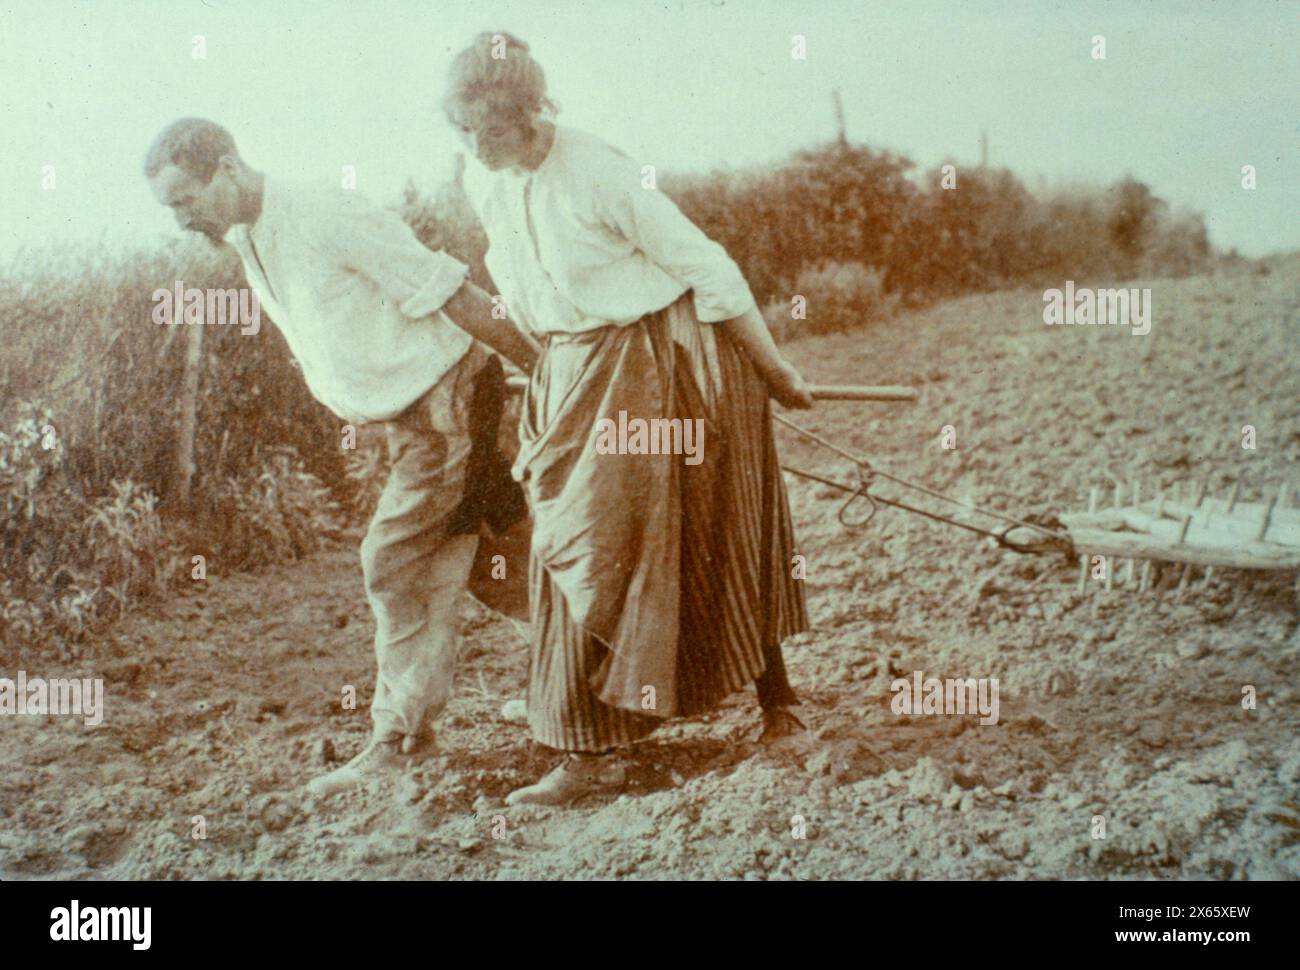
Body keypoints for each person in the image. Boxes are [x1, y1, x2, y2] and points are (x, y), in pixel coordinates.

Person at [442, 33, 817, 807]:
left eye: (492, 131)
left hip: (660, 359)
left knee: (682, 529)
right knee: (571, 543)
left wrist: (774, 370)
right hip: (571, 369)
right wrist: (541, 364)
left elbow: (707, 265)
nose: (477, 148)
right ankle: (588, 734)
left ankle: (752, 711)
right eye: (463, 132)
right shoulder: (485, 179)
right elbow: (514, 276)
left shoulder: (599, 173)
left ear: (531, 111)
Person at [143, 118, 539, 796]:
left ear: (229, 167)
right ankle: (588, 676)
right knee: (488, 556)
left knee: (393, 560)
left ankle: (400, 741)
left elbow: (451, 290)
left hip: (447, 407)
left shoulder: (324, 211)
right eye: (171, 208)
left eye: (186, 200)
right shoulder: (247, 236)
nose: (182, 219)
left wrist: (546, 364)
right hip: (411, 420)